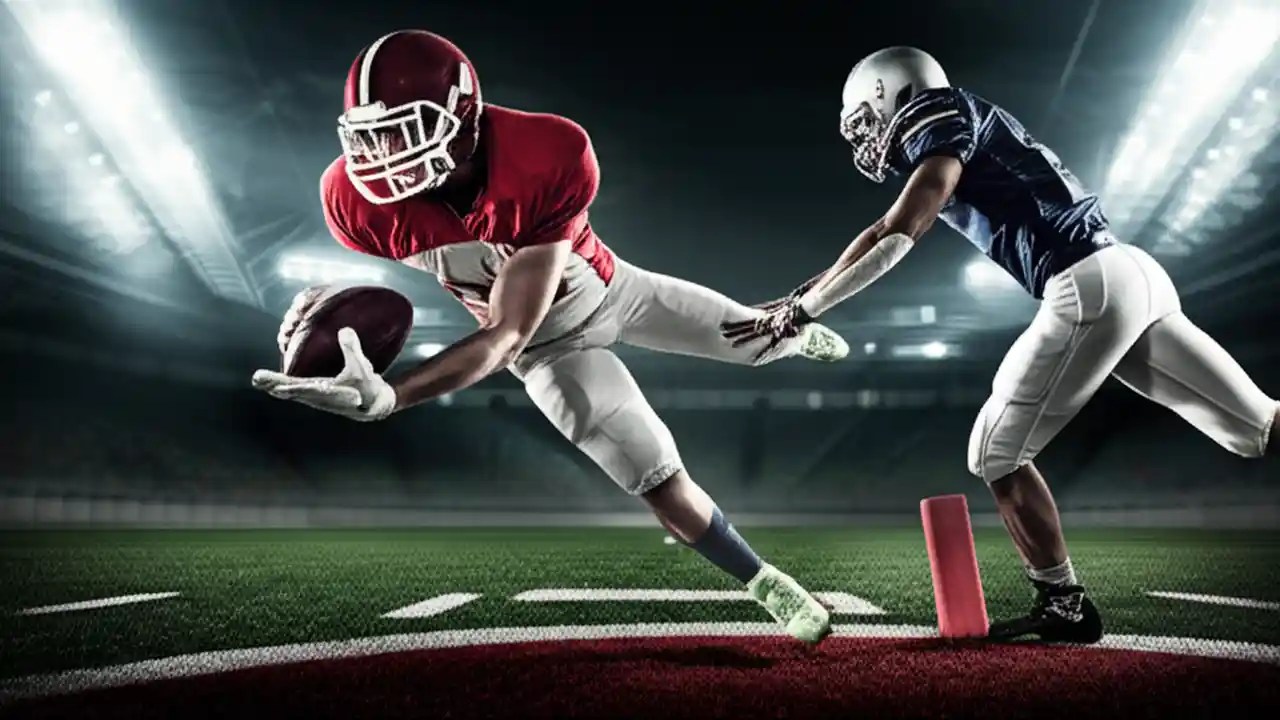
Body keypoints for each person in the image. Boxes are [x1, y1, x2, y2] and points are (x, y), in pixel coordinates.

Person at [252, 30, 849, 643]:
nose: (384, 156)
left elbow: (507, 331)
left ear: (461, 113)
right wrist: (318, 307)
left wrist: (395, 395)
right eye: (370, 136)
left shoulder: (545, 155)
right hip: (550, 357)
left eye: (402, 131)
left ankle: (794, 338)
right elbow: (507, 338)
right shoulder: (356, 204)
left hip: (614, 293)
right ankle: (765, 581)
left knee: (754, 341)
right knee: (655, 476)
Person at [725, 46, 1278, 643]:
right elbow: (880, 228)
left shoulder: (932, 115)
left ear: (890, 96)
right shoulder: (962, 116)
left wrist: (803, 312)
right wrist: (799, 297)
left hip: (1086, 284)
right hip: (1132, 273)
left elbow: (902, 230)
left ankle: (1064, 603)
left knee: (994, 454)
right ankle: (1063, 601)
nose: (865, 133)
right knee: (1259, 426)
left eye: (865, 115)